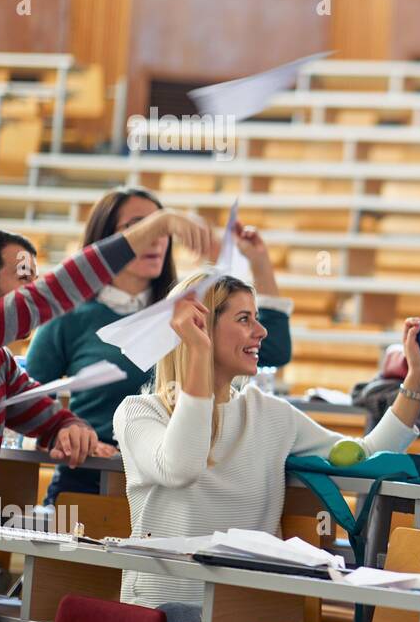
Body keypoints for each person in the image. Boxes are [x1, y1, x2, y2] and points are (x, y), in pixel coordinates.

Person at [112, 273, 420, 622]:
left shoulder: (269, 413)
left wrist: (415, 381)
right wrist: (198, 354)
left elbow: (363, 455)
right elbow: (182, 467)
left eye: (256, 318)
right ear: (200, 327)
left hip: (248, 620)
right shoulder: (138, 412)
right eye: (244, 319)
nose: (261, 332)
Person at [27, 187, 295, 505]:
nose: (155, 238)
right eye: (137, 227)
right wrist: (67, 433)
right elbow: (29, 398)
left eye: (162, 228)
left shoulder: (184, 308)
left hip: (177, 492)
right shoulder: (68, 316)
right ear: (107, 241)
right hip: (91, 481)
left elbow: (274, 350)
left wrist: (259, 262)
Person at [0, 212, 215, 507]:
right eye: (24, 278)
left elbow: (49, 418)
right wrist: (159, 223)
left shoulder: (0, 363)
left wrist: (72, 431)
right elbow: (51, 293)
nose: (33, 289)